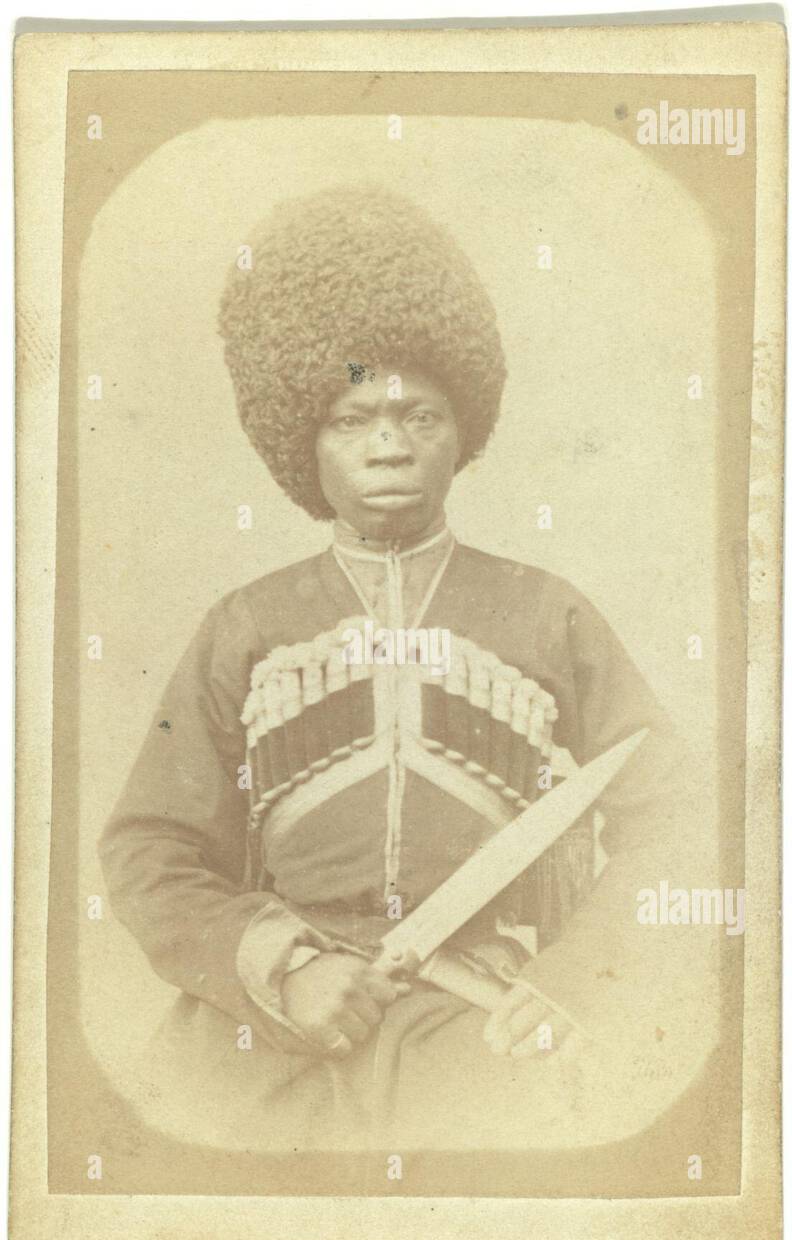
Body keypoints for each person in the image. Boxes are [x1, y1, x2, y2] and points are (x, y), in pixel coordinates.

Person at [99, 184, 718, 1155]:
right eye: (353, 418)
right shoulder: (246, 627)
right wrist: (284, 964)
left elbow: (688, 824)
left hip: (490, 1039)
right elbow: (149, 854)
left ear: (463, 429)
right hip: (268, 1045)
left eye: (418, 414)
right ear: (304, 437)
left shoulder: (545, 612)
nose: (388, 442)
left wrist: (580, 976)